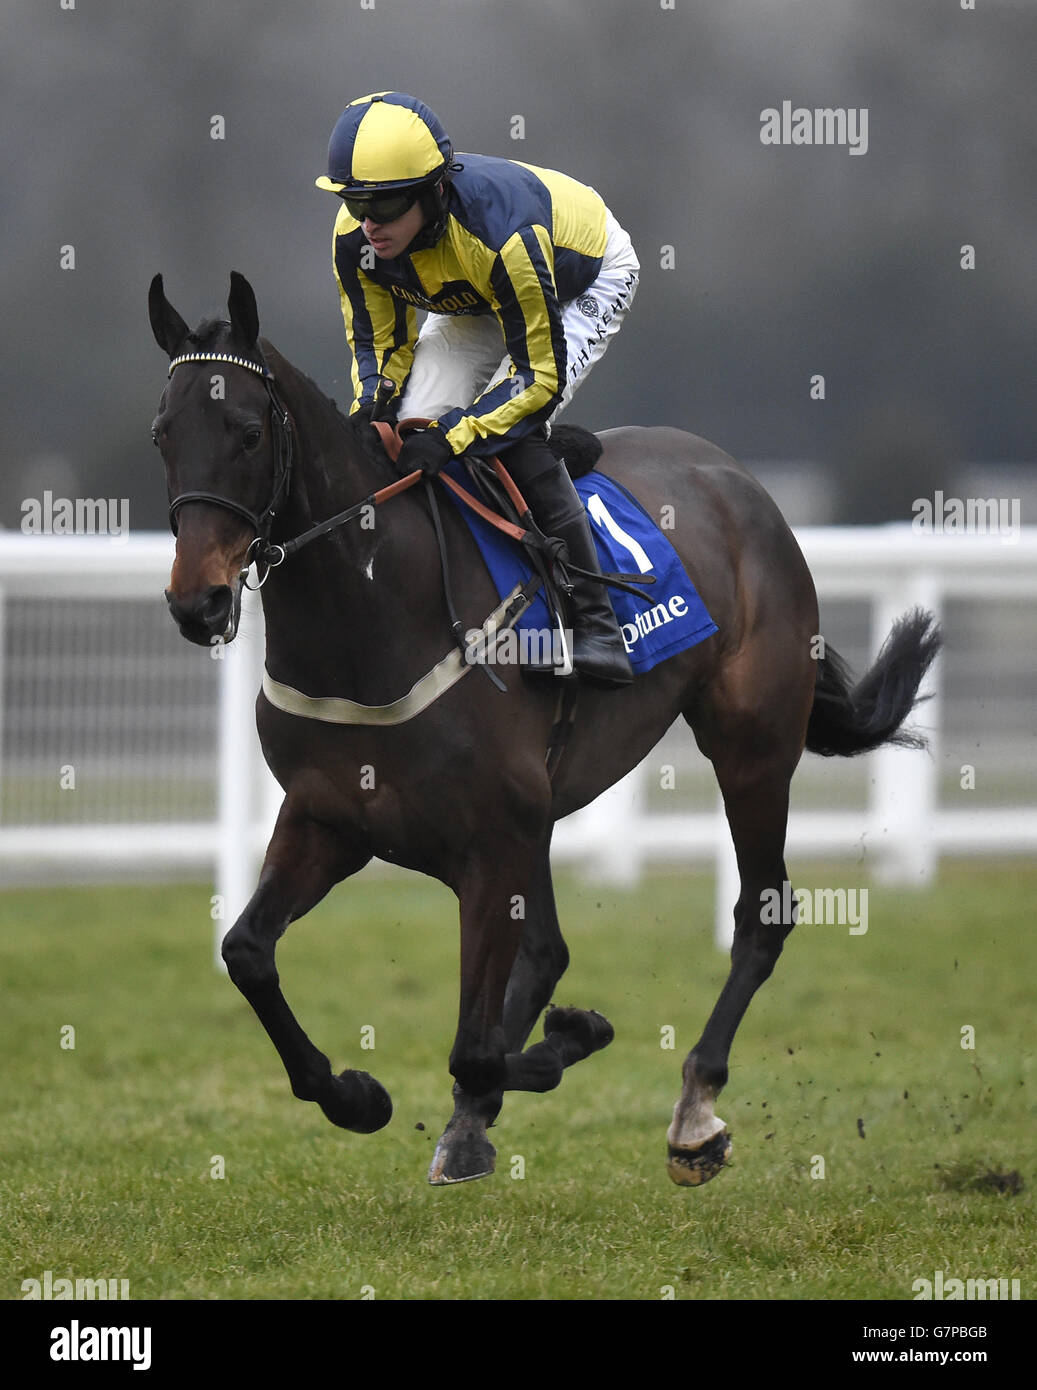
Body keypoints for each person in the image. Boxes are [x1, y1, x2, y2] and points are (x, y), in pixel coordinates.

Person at [316, 91, 640, 686]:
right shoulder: (356, 240)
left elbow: (535, 377)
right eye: (355, 202)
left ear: (433, 191)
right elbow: (383, 348)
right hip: (476, 292)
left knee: (507, 432)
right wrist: (371, 412)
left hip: (579, 273)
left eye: (384, 204)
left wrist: (459, 434)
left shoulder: (503, 237)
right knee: (405, 430)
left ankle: (598, 629)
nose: (369, 222)